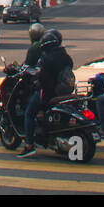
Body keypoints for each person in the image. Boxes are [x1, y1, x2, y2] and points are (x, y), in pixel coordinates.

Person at [20, 29, 72, 158]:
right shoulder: (65, 56)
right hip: (66, 91)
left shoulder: (47, 58)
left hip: (49, 93)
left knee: (29, 113)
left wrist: (37, 78)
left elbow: (43, 79)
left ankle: (29, 145)